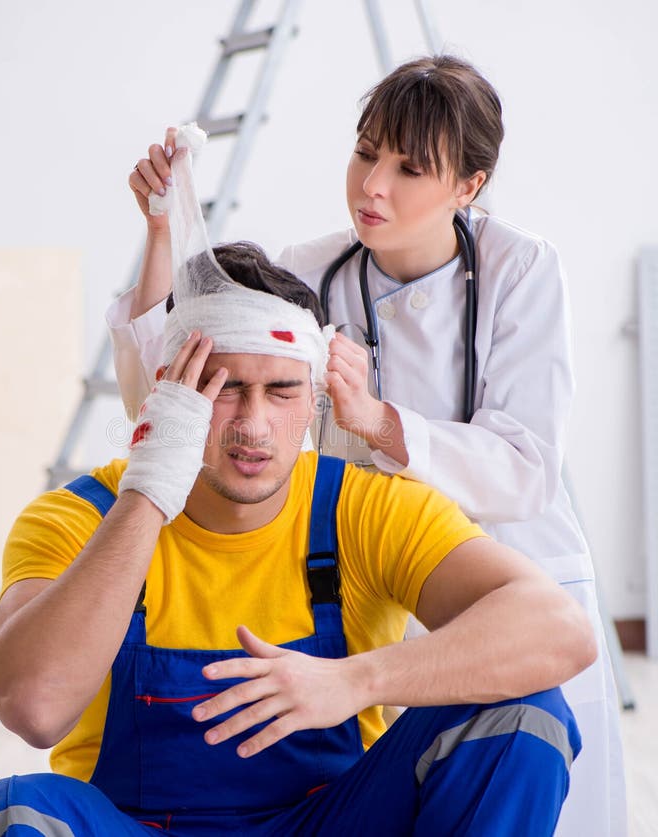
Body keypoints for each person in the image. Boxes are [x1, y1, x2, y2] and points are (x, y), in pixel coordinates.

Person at [112, 56, 626, 836]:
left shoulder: (523, 269)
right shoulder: (310, 268)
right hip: (376, 580)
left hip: (510, 576)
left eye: (410, 168)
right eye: (366, 153)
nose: (371, 186)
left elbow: (526, 471)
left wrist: (379, 421)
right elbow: (169, 387)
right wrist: (161, 227)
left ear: (470, 187)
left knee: (521, 775)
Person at [0, 240, 596, 836]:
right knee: (18, 810)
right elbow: (34, 711)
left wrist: (355, 681)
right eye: (224, 388)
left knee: (523, 713)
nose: (254, 425)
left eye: (282, 390)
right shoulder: (77, 519)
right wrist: (151, 486)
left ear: (315, 394)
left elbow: (559, 630)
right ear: (172, 385)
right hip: (134, 824)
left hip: (335, 822)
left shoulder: (361, 509)